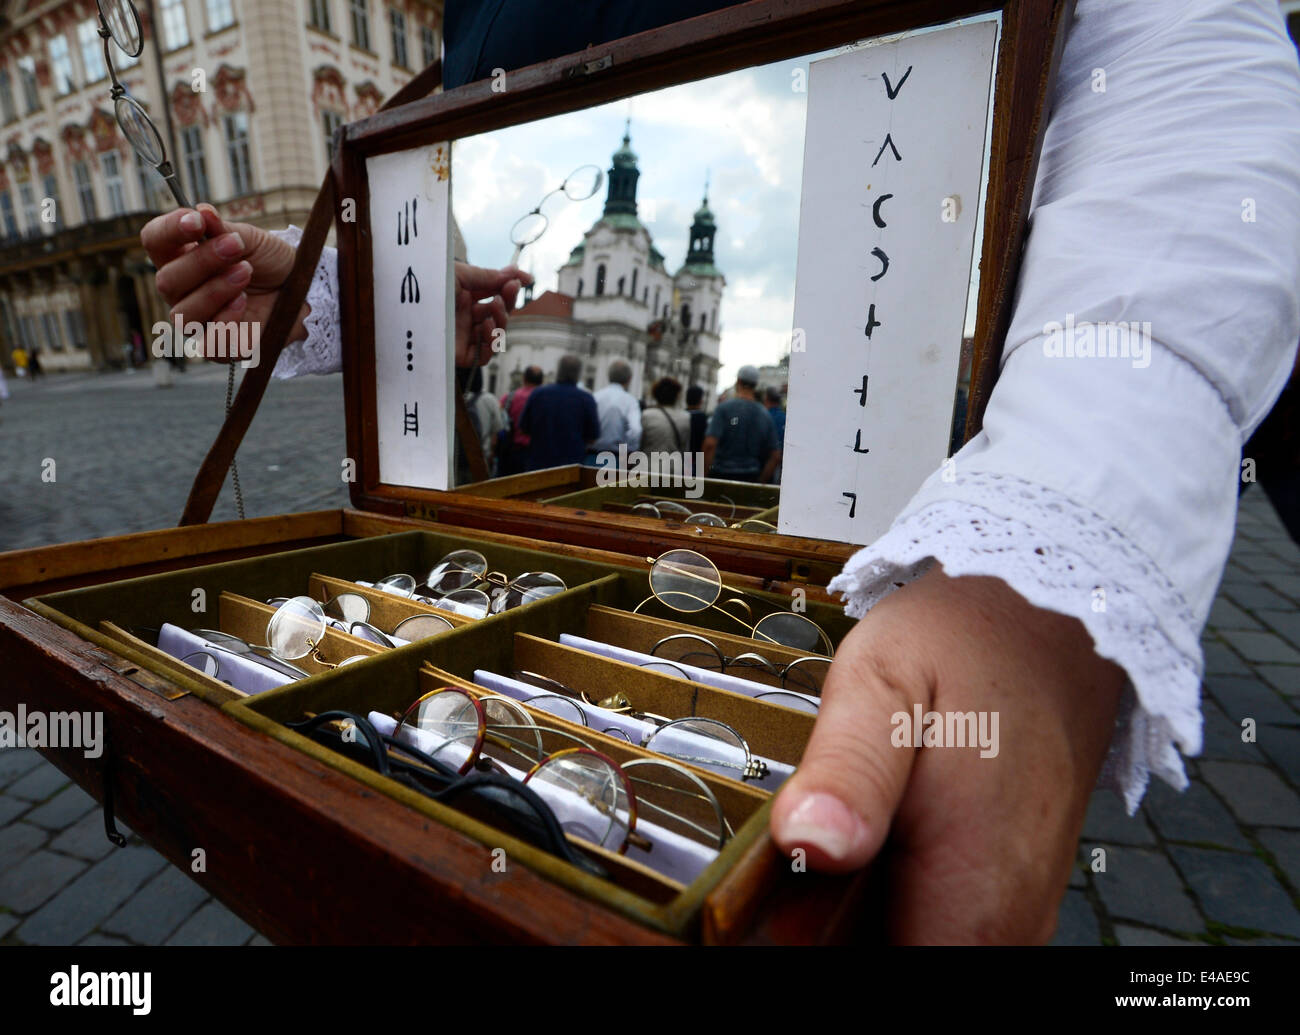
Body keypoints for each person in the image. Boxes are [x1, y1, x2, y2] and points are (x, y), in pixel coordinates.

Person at [139, 0, 1300, 944]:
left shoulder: (649, 274)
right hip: (511, 538)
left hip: (850, 553)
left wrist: (1046, 568)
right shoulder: (600, 249)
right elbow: (460, 119)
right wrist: (334, 291)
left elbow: (1181, 58)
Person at [519, 354, 599, 469]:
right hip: (571, 467)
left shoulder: (538, 394)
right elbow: (593, 437)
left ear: (558, 371)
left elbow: (523, 428)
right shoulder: (586, 399)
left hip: (538, 464)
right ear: (578, 374)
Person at [703, 365, 779, 483]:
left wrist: (704, 477)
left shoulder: (723, 408)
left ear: (738, 381)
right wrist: (760, 482)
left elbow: (710, 444)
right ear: (755, 384)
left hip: (721, 476)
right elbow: (775, 455)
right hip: (751, 477)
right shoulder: (764, 414)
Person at [588, 359, 641, 466]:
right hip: (616, 459)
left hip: (591, 457)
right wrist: (629, 450)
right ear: (629, 379)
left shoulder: (595, 397)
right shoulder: (630, 401)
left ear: (609, 376)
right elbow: (636, 431)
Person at [499, 365, 543, 475]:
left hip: (511, 451)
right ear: (542, 381)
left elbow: (498, 422)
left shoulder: (509, 397)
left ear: (524, 378)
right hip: (537, 453)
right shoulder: (546, 399)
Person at [466, 366, 506, 475]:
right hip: (481, 456)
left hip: (455, 457)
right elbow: (496, 432)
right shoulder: (490, 400)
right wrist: (492, 454)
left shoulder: (454, 396)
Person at [639, 376, 691, 462]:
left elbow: (640, 445)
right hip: (673, 470)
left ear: (655, 394)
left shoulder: (647, 415)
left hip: (648, 469)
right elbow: (685, 449)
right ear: (677, 396)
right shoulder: (686, 418)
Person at [762, 384, 786, 484]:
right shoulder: (785, 417)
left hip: (765, 464)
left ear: (766, 398)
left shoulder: (763, 417)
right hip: (781, 465)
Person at [685, 383, 709, 456]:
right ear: (700, 400)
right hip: (698, 457)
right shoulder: (702, 417)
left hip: (682, 455)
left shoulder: (682, 415)